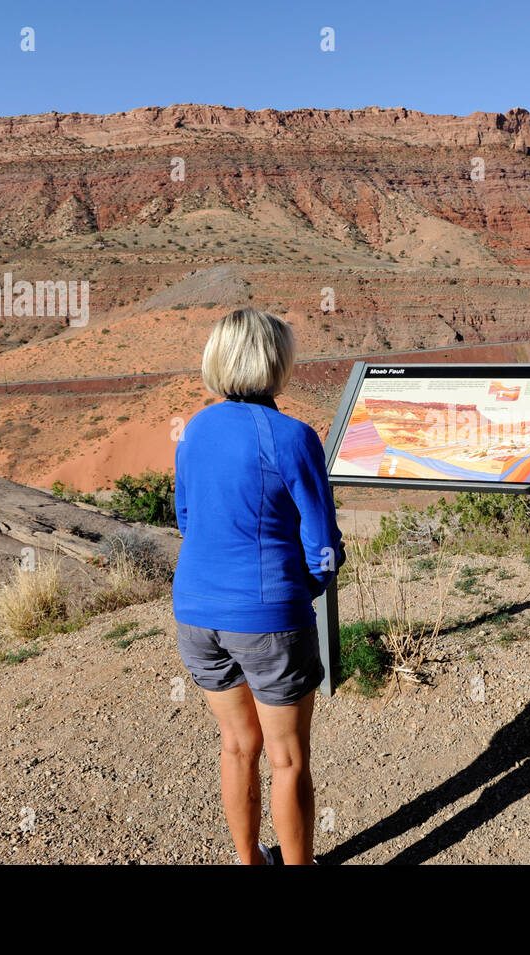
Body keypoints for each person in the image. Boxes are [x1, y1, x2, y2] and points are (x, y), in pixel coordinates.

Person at [172, 308, 343, 866]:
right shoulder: (293, 437)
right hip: (269, 615)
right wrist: (298, 593)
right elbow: (323, 548)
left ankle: (249, 862)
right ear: (277, 360)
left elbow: (188, 518)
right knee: (288, 759)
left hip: (196, 611)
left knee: (237, 744)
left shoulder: (195, 428)